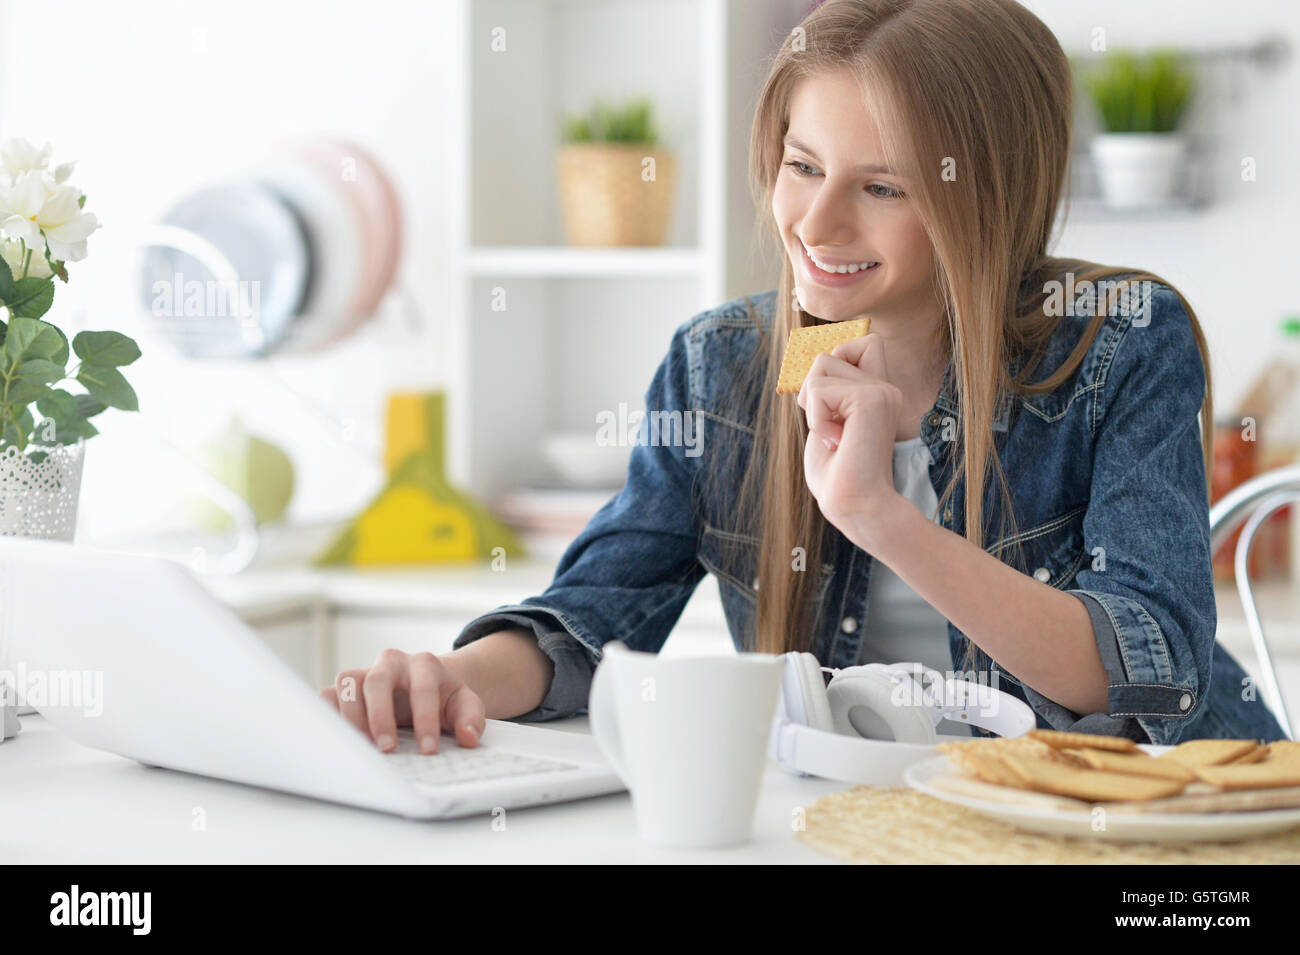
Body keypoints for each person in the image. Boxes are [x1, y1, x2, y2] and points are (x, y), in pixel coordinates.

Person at [321, 0, 1287, 754]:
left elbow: (1149, 662)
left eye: (883, 187)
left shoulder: (1118, 341)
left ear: (989, 197)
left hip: (1161, 835)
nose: (816, 226)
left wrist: (880, 516)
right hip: (867, 826)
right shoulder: (724, 366)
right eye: (801, 166)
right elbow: (591, 620)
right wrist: (450, 679)